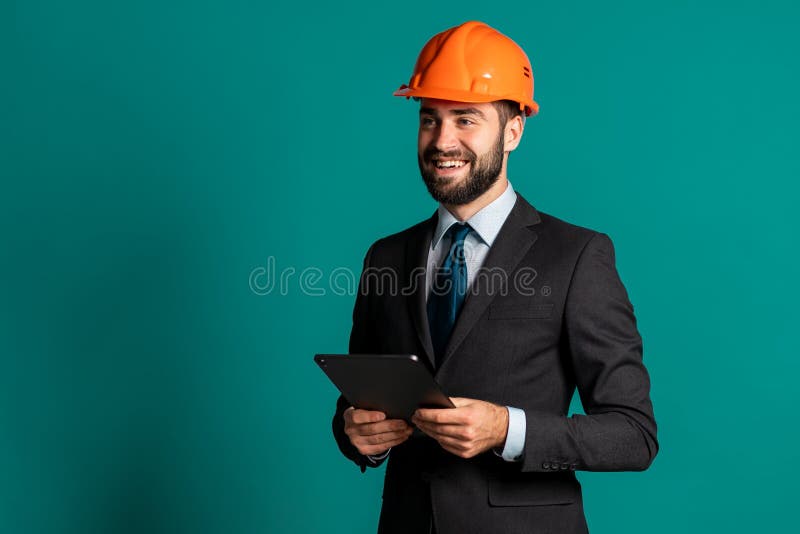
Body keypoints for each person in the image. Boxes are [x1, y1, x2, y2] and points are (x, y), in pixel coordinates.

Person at [331, 21, 658, 534]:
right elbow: (358, 402)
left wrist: (508, 428)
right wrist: (355, 432)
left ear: (513, 131)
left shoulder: (577, 255)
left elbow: (633, 434)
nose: (442, 141)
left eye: (466, 120)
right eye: (429, 119)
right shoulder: (385, 258)